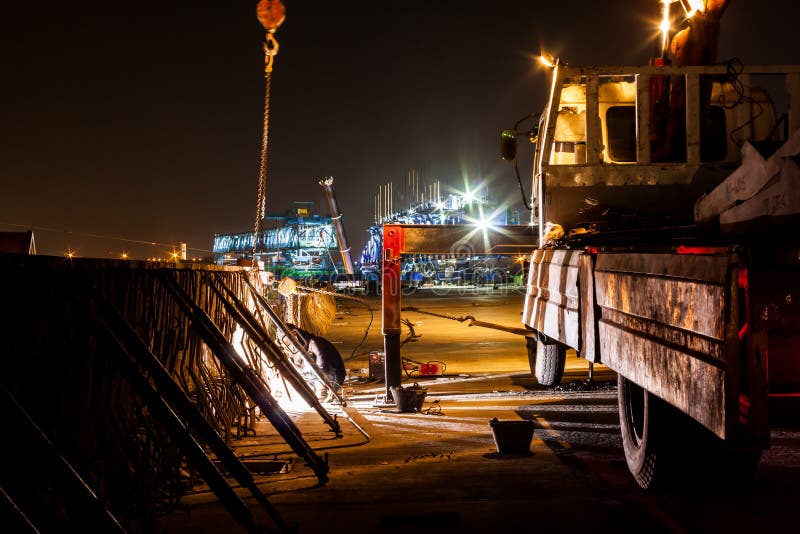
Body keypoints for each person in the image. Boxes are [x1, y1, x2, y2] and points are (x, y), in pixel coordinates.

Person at [287, 324, 346, 401]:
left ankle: (322, 391)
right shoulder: (298, 347)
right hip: (319, 378)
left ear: (294, 334)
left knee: (308, 358)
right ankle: (315, 389)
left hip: (333, 379)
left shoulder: (315, 343)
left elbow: (323, 368)